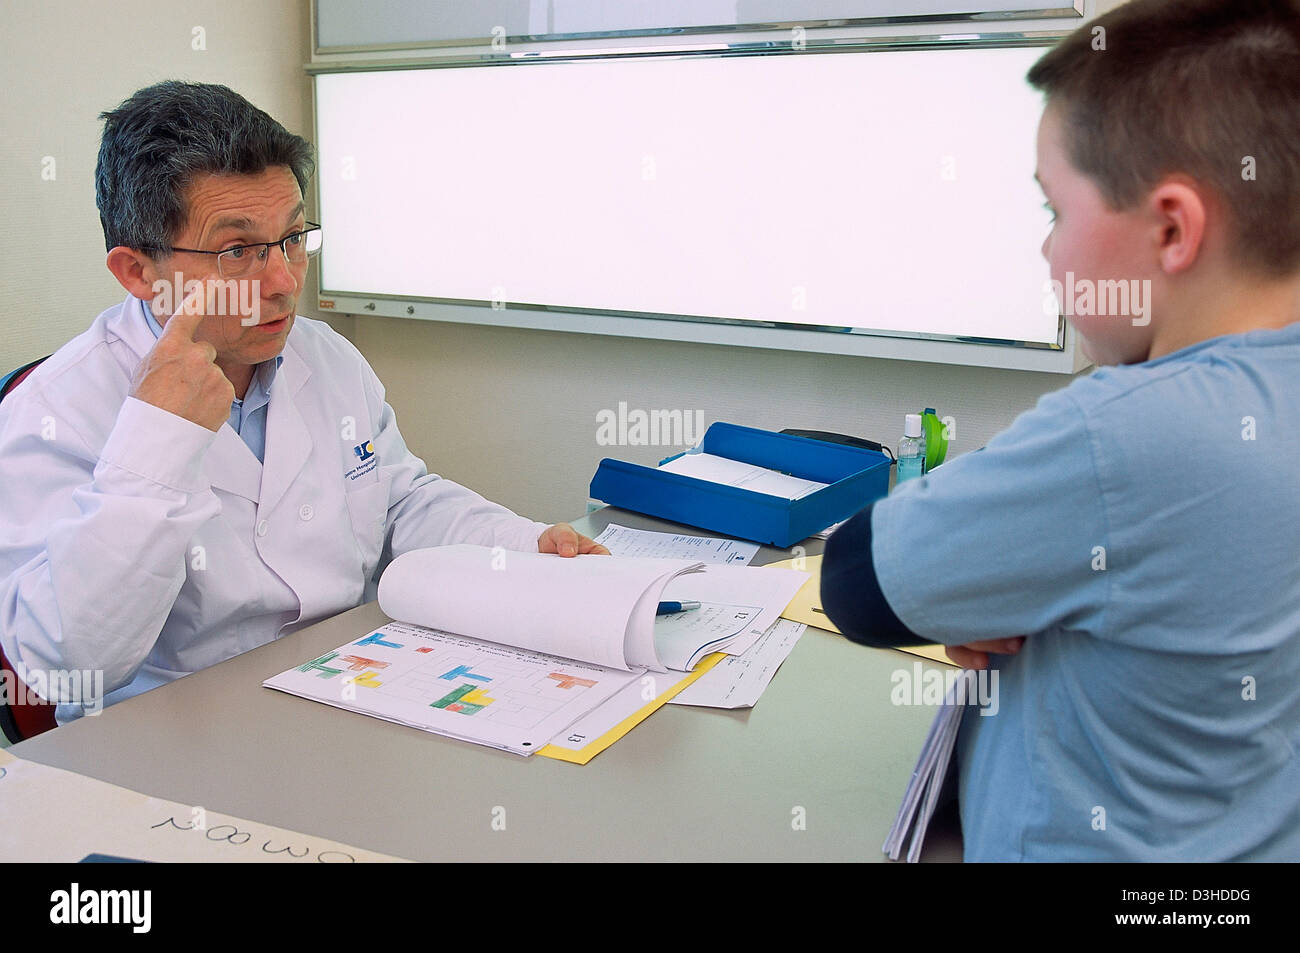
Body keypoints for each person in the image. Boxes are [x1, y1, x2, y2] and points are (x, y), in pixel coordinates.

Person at [821, 0, 1300, 861]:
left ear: (1170, 228)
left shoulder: (1124, 433)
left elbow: (856, 581)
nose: (1047, 254)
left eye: (1054, 211)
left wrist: (973, 581)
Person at [0, 81, 607, 725]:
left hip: (346, 687)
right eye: (238, 252)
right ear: (137, 271)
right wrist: (156, 440)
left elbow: (401, 502)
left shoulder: (324, 355)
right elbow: (63, 661)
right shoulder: (56, 408)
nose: (284, 282)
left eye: (293, 239)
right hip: (169, 737)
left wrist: (522, 544)